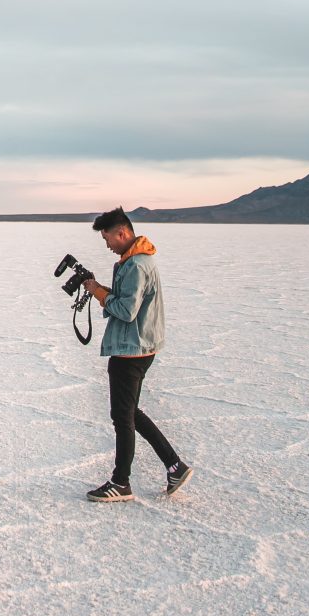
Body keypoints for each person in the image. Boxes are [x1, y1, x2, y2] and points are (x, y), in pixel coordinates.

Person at [79, 207, 192, 502]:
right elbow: (126, 301)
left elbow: (127, 311)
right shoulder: (132, 262)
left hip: (131, 350)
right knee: (131, 413)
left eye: (108, 239)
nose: (107, 246)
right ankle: (175, 465)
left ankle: (121, 482)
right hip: (137, 347)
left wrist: (101, 295)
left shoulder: (137, 265)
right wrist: (99, 289)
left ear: (123, 232)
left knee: (122, 417)